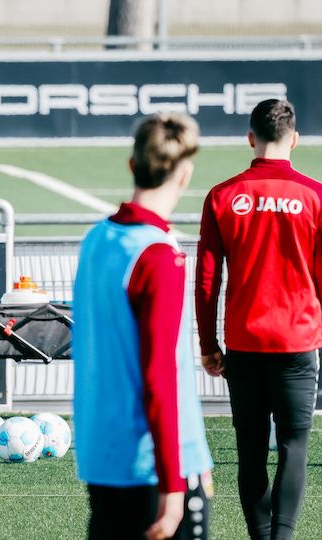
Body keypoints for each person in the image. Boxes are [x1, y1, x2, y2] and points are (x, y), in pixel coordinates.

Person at [196, 99, 322, 540]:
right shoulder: (315, 195)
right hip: (298, 343)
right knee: (294, 446)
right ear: (294, 139)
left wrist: (208, 344)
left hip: (243, 343)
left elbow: (207, 280)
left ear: (250, 138)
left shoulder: (222, 196)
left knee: (250, 451)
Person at [72, 112, 213, 540]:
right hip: (153, 466)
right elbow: (159, 377)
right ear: (185, 174)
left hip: (102, 457)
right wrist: (175, 482)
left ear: (133, 165)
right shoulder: (159, 256)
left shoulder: (96, 239)